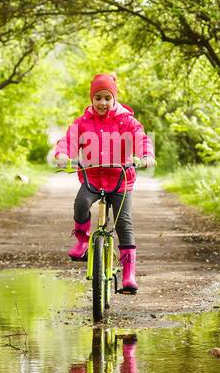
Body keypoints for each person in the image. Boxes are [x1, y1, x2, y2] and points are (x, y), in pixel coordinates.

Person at [51, 73, 154, 293]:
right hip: (93, 177)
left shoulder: (126, 121)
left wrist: (145, 156)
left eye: (107, 98)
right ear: (92, 99)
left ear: (114, 99)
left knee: (123, 224)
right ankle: (82, 242)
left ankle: (128, 274)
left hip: (120, 179)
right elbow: (68, 141)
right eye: (98, 98)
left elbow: (141, 138)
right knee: (80, 204)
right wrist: (62, 155)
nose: (102, 103)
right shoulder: (83, 122)